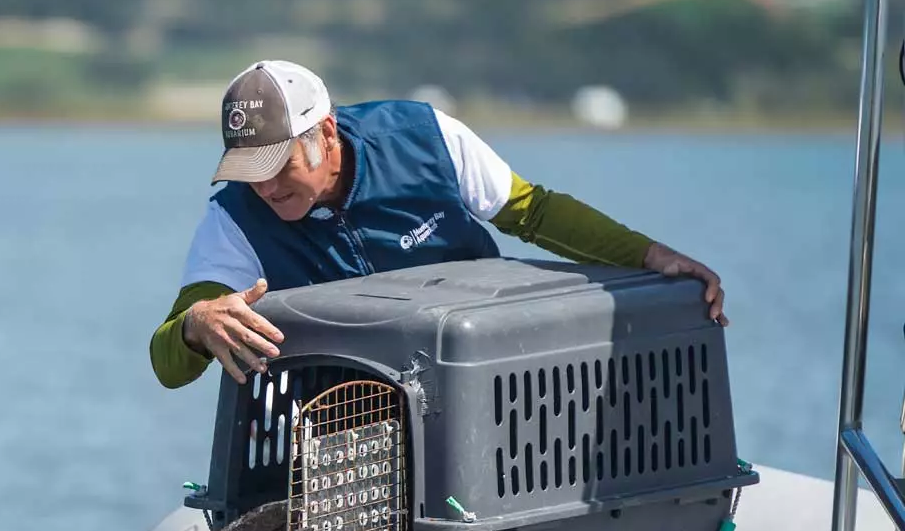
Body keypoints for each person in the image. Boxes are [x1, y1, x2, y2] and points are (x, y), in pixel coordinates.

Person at [151, 60, 728, 388]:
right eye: (251, 171)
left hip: (488, 382)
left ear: (326, 133)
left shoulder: (426, 137)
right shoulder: (232, 218)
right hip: (348, 432)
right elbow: (166, 362)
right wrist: (198, 323)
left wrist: (648, 256)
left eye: (282, 165)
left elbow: (536, 212)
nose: (267, 187)